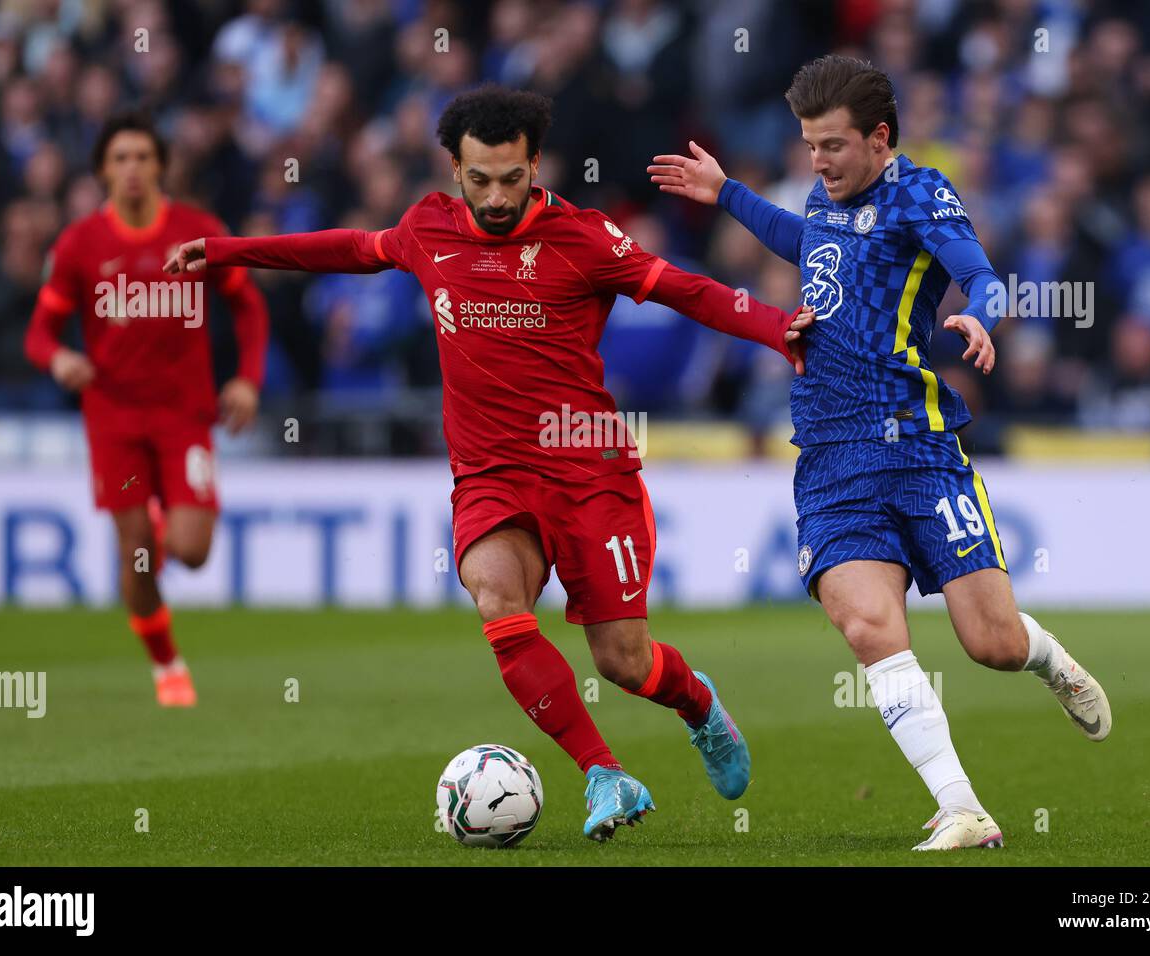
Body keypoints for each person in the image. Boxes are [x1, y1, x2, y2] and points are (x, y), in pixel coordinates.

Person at [165, 85, 810, 842]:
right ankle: (605, 774)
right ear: (454, 170)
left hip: (587, 468)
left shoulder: (586, 238)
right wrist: (232, 252)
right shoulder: (427, 228)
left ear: (536, 163)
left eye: (511, 178)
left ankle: (698, 703)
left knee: (624, 663)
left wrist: (777, 328)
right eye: (480, 179)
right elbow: (347, 249)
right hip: (490, 473)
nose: (497, 196)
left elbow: (685, 290)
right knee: (498, 602)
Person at [650, 55, 1112, 850]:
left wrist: (980, 319)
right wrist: (726, 194)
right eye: (808, 145)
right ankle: (963, 806)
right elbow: (810, 242)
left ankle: (1048, 659)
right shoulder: (821, 197)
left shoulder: (921, 193)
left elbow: (980, 274)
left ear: (880, 138)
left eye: (832, 146)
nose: (818, 162)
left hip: (919, 448)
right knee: (868, 628)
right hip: (830, 451)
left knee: (990, 643)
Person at [26, 111, 269, 707]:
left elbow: (250, 308)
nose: (132, 168)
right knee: (136, 556)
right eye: (120, 158)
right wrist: (60, 361)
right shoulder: (80, 243)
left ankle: (165, 525)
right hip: (113, 419)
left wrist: (247, 379)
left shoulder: (196, 231)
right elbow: (38, 334)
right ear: (103, 171)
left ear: (161, 165)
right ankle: (167, 668)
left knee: (191, 551)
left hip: (185, 415)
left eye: (142, 156)